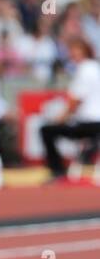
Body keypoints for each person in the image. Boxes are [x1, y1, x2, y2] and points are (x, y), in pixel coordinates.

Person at [39, 37, 100, 181]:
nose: (71, 54)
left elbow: (75, 102)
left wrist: (59, 119)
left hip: (90, 123)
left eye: (74, 50)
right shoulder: (95, 67)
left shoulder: (85, 69)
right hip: (93, 122)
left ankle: (57, 170)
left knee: (46, 130)